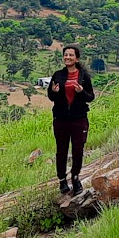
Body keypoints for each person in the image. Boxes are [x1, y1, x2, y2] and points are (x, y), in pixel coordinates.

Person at [44, 45, 97, 194]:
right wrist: (54, 92)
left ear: (77, 58)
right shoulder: (58, 75)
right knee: (61, 150)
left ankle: (75, 177)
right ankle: (62, 180)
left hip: (78, 118)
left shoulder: (83, 76)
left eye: (71, 55)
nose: (67, 57)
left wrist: (81, 92)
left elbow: (91, 97)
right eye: (65, 55)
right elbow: (50, 96)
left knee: (78, 150)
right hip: (60, 119)